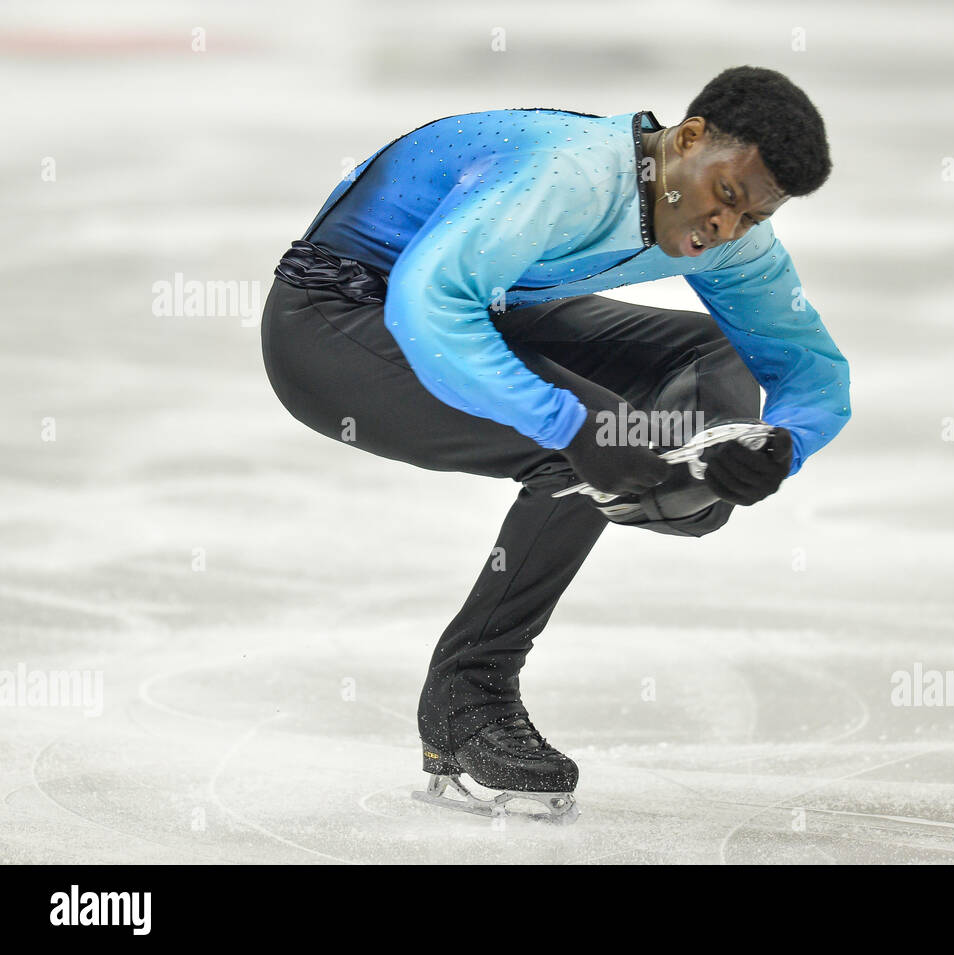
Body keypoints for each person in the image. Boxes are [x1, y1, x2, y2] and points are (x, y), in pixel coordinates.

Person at [260, 65, 851, 820]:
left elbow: (811, 369)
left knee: (707, 360)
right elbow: (429, 302)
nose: (724, 230)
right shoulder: (568, 173)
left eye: (753, 218)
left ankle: (669, 479)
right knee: (586, 433)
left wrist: (778, 444)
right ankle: (467, 700)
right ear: (689, 138)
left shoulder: (723, 231)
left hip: (489, 310)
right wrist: (572, 425)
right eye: (726, 197)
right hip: (333, 323)